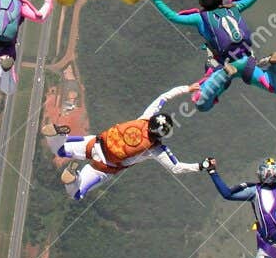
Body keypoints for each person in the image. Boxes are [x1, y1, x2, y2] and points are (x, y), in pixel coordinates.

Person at [144, 0, 276, 112]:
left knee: (202, 105)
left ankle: (225, 74)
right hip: (246, 61)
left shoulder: (199, 18)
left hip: (222, 66)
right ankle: (274, 65)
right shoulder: (234, 8)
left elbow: (172, 16)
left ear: (202, 1)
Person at [49, 85, 199, 201]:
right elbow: (177, 168)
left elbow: (164, 97)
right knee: (76, 194)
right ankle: (74, 178)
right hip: (105, 167)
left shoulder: (145, 118)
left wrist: (187, 89)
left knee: (60, 149)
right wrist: (201, 166)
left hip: (97, 143)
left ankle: (58, 135)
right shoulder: (156, 149)